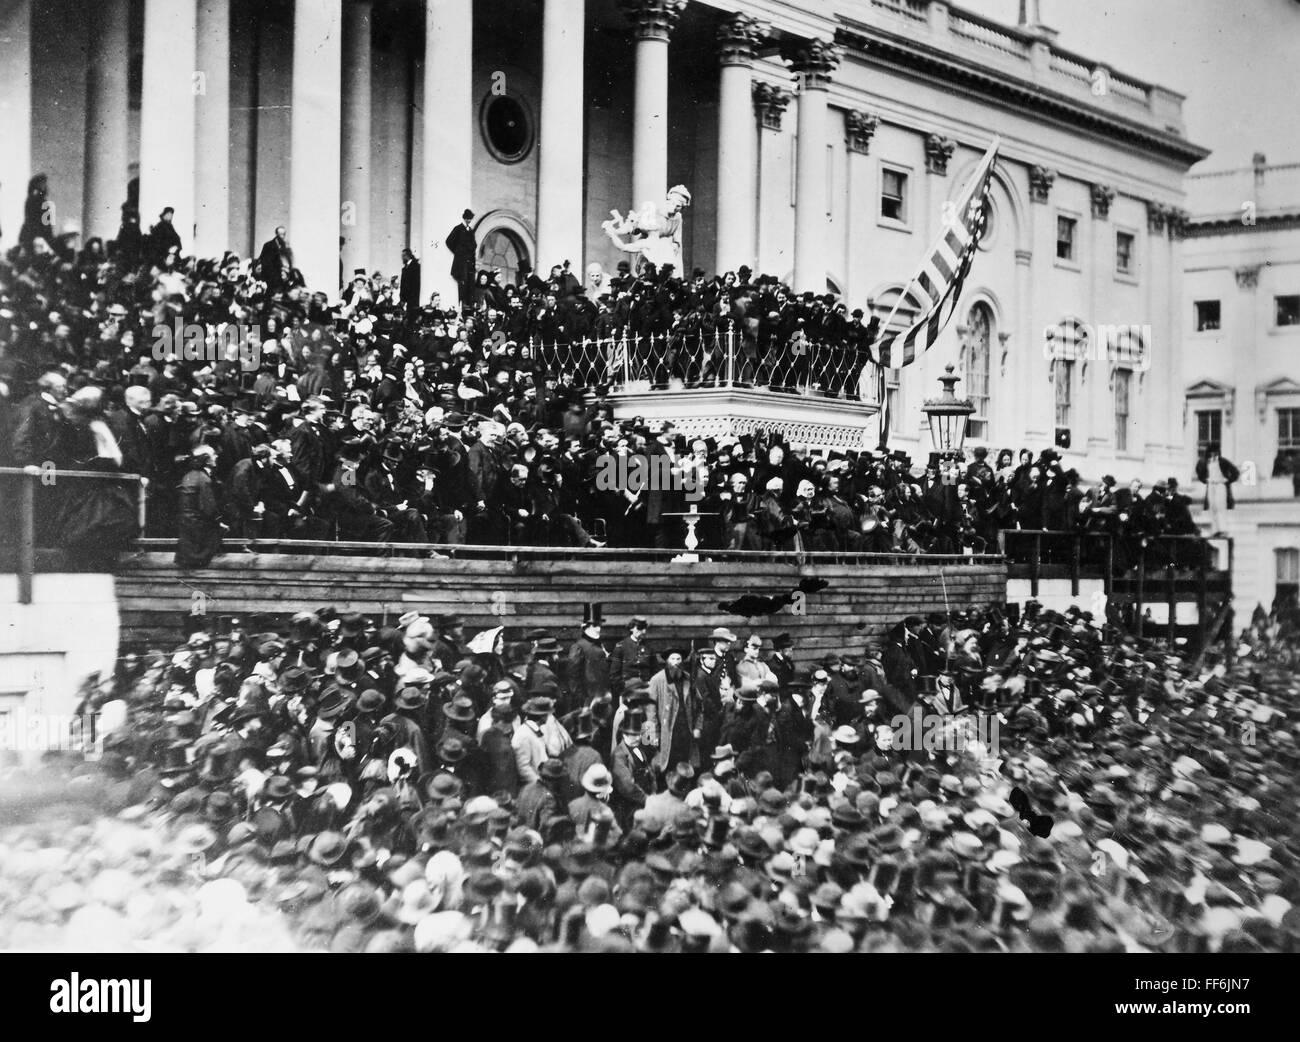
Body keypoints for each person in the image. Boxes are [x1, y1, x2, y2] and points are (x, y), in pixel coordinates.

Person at [647, 648, 701, 777]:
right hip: (667, 731)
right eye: (672, 659)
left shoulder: (688, 678)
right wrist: (652, 735)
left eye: (678, 659)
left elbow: (699, 704)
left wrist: (698, 727)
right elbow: (650, 709)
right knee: (665, 766)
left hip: (685, 731)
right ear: (667, 661)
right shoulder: (657, 680)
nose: (676, 662)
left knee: (684, 766)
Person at [175, 446, 225, 568]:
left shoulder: (189, 475)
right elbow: (209, 508)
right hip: (197, 526)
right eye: (213, 455)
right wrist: (219, 523)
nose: (216, 456)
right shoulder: (204, 479)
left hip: (185, 525)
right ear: (207, 460)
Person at [1195, 442, 1240, 537]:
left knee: (1220, 506)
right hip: (1211, 485)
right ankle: (1215, 530)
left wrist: (1227, 480)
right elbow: (1199, 472)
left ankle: (1223, 529)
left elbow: (1235, 472)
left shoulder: (1223, 461)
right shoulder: (1206, 462)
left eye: (1215, 452)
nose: (1214, 454)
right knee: (1213, 507)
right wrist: (1205, 480)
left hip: (1220, 485)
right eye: (1212, 452)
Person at [445, 209, 477, 309]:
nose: (469, 221)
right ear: (464, 218)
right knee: (463, 281)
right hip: (462, 262)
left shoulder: (470, 231)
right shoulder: (458, 229)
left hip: (469, 262)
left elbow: (474, 245)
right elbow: (449, 241)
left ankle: (469, 304)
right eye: (467, 219)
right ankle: (462, 304)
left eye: (470, 219)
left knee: (470, 283)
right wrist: (458, 252)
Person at [257, 226, 294, 292]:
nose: (282, 236)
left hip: (283, 280)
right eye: (280, 234)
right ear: (276, 234)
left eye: (284, 234)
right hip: (271, 279)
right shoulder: (268, 245)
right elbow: (264, 262)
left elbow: (289, 262)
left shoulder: (286, 247)